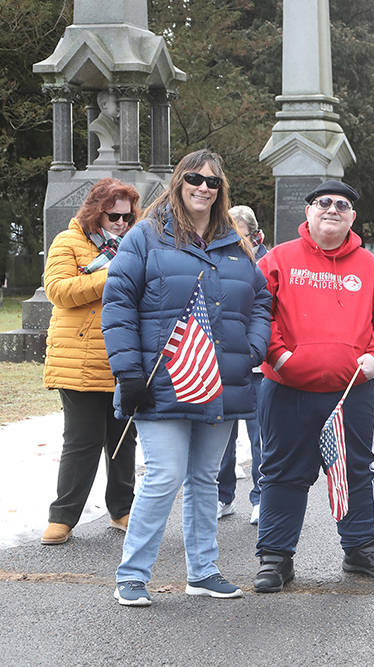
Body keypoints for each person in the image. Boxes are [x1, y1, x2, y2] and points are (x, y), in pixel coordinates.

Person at [102, 150, 272, 606]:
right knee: (164, 475)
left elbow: (261, 301)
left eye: (213, 182)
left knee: (205, 478)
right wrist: (128, 372)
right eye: (194, 178)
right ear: (179, 182)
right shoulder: (146, 237)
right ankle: (132, 574)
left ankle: (203, 570)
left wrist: (252, 349)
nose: (203, 187)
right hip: (160, 380)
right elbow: (117, 306)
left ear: (221, 191)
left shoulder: (235, 243)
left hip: (220, 379)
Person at [252, 180, 374, 593]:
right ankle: (275, 556)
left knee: (353, 468)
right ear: (309, 212)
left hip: (350, 391)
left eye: (342, 205)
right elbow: (256, 312)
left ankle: (360, 548)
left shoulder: (369, 266)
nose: (332, 209)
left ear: (352, 217)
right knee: (284, 472)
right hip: (287, 389)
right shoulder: (279, 259)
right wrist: (279, 356)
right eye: (324, 203)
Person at [40, 177, 140, 545]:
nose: (121, 224)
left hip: (123, 355)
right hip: (78, 359)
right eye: (114, 216)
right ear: (96, 212)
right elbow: (59, 291)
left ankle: (122, 509)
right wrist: (108, 275)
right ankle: (63, 516)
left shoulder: (135, 246)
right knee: (81, 441)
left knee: (123, 439)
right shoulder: (69, 242)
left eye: (128, 218)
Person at [216, 205, 268, 524]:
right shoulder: (217, 261)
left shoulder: (268, 263)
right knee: (222, 436)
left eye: (239, 233)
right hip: (225, 363)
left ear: (255, 233)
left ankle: (262, 497)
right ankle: (223, 497)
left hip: (258, 365)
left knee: (260, 437)